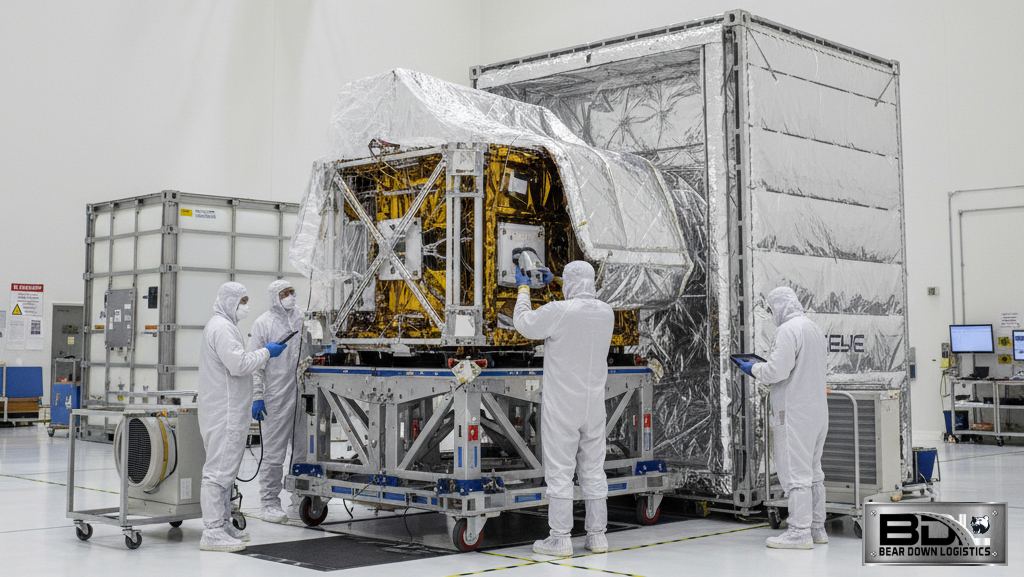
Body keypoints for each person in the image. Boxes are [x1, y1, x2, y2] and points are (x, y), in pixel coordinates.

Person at [513, 260, 615, 557]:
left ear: (570, 283)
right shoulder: (605, 312)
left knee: (560, 471)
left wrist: (523, 287)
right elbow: (579, 295)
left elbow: (524, 323)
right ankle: (597, 536)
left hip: (563, 406)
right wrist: (556, 279)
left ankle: (560, 538)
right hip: (593, 405)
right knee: (594, 471)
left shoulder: (559, 312)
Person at [736, 286, 828, 549]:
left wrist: (753, 368)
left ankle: (799, 533)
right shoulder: (813, 328)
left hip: (795, 413)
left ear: (778, 306)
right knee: (814, 472)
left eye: (770, 308)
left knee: (796, 473)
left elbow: (777, 370)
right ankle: (817, 528)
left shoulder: (788, 330)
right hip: (817, 412)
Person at [197, 282, 287, 552]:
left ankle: (222, 524)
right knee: (218, 473)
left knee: (226, 473)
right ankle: (212, 531)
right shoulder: (221, 328)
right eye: (243, 301)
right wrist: (266, 353)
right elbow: (238, 365)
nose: (246, 306)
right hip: (224, 412)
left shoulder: (223, 326)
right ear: (229, 301)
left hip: (227, 410)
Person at [248, 279, 306, 523]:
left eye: (292, 292)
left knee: (304, 451)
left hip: (304, 393)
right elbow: (254, 364)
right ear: (275, 296)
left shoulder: (303, 318)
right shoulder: (263, 323)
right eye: (285, 293)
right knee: (274, 453)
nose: (290, 296)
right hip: (276, 395)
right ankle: (269, 502)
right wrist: (258, 396)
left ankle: (302, 496)